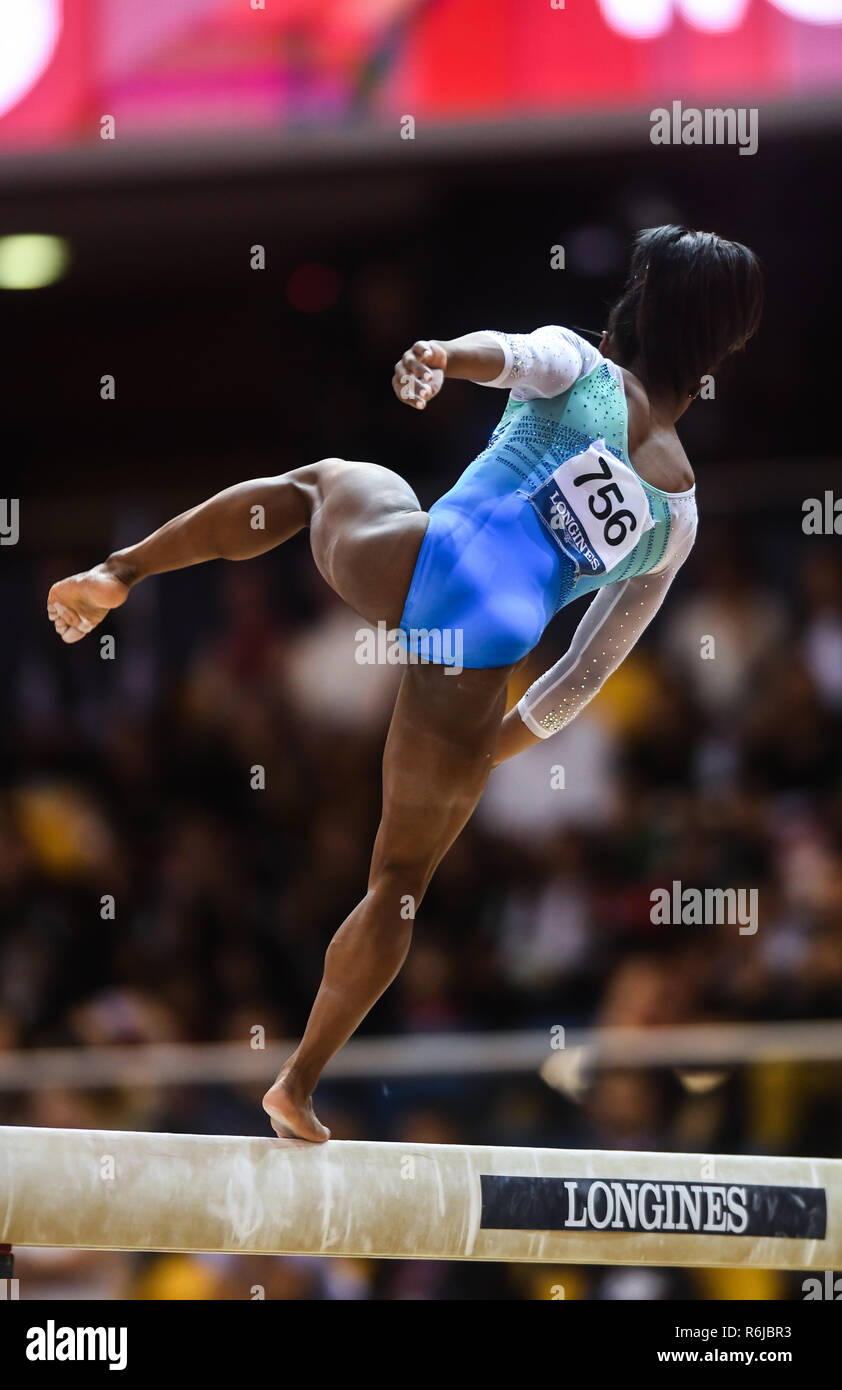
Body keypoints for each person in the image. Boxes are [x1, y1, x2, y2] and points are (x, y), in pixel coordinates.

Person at [46, 225, 763, 1140]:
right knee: (398, 885)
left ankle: (121, 572)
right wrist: (486, 754)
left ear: (641, 300)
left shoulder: (581, 363)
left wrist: (437, 359)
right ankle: (296, 1086)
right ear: (719, 350)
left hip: (422, 561)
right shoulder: (680, 518)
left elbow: (508, 357)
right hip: (486, 655)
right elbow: (586, 670)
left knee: (318, 485)